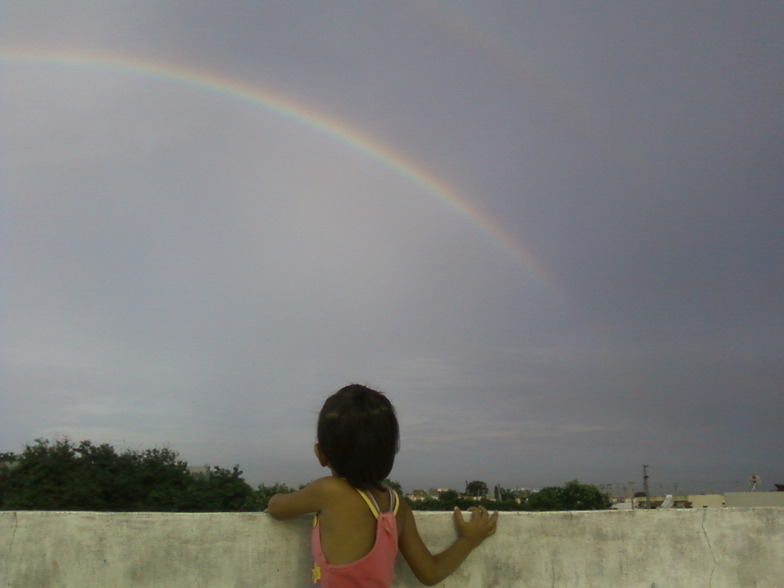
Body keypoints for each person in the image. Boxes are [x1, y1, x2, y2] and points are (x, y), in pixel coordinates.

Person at [266, 384, 498, 587]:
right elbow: (430, 573)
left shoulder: (328, 491)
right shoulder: (398, 506)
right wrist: (468, 540)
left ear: (321, 453)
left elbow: (277, 508)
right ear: (390, 452)